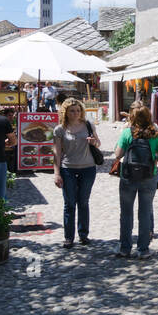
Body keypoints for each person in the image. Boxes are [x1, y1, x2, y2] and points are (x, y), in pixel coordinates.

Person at [116, 102, 158, 259]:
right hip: (149, 176)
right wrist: (153, 156)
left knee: (126, 213)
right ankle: (143, 249)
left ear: (132, 117)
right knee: (145, 213)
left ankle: (125, 248)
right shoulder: (155, 134)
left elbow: (118, 154)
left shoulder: (127, 133)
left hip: (128, 177)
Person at [53, 97, 100, 247]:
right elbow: (57, 152)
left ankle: (83, 234)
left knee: (84, 202)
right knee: (70, 204)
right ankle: (68, 237)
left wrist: (94, 142)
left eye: (78, 110)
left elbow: (98, 143)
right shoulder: (60, 129)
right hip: (68, 169)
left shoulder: (88, 125)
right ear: (65, 112)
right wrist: (57, 173)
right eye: (72, 111)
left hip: (88, 168)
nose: (75, 113)